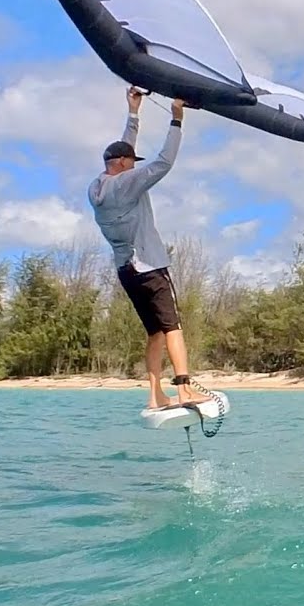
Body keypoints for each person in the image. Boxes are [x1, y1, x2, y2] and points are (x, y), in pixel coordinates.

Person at [88, 86, 205, 411]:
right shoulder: (128, 182)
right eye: (131, 161)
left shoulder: (96, 186)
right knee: (173, 328)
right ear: (125, 164)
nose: (134, 164)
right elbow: (164, 161)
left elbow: (124, 151)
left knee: (155, 332)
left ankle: (155, 396)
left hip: (126, 271)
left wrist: (133, 111)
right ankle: (184, 390)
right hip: (150, 268)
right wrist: (176, 119)